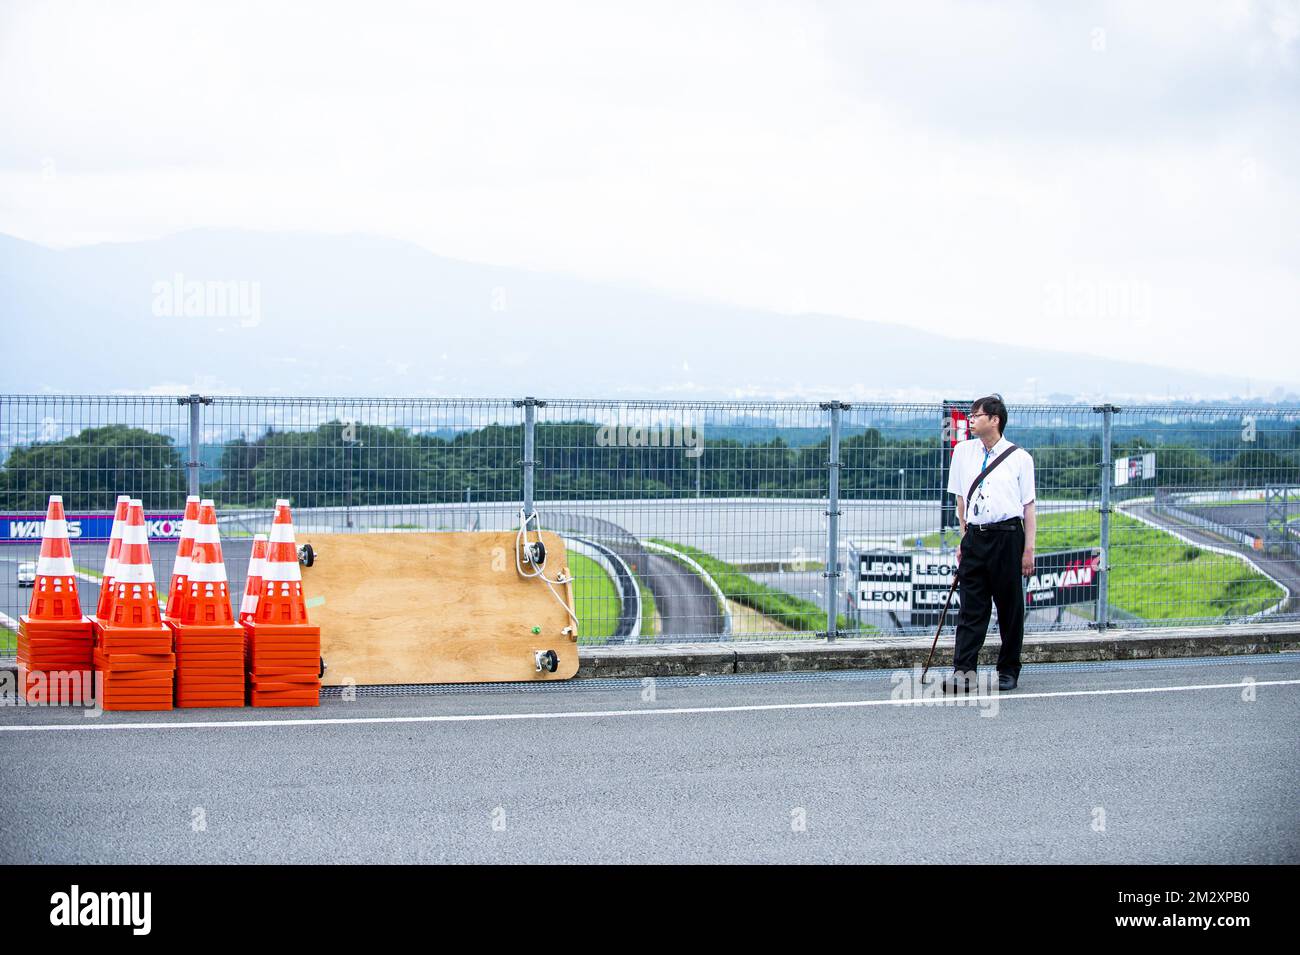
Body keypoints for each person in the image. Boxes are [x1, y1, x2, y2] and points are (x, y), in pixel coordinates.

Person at [943, 395, 1036, 692]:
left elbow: (1029, 508)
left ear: (994, 419)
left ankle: (1008, 669)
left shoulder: (1020, 458)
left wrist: (1028, 549)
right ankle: (964, 670)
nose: (971, 420)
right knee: (971, 606)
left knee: (1009, 607)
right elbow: (960, 499)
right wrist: (963, 537)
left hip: (1008, 536)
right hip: (975, 536)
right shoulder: (963, 453)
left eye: (977, 415)